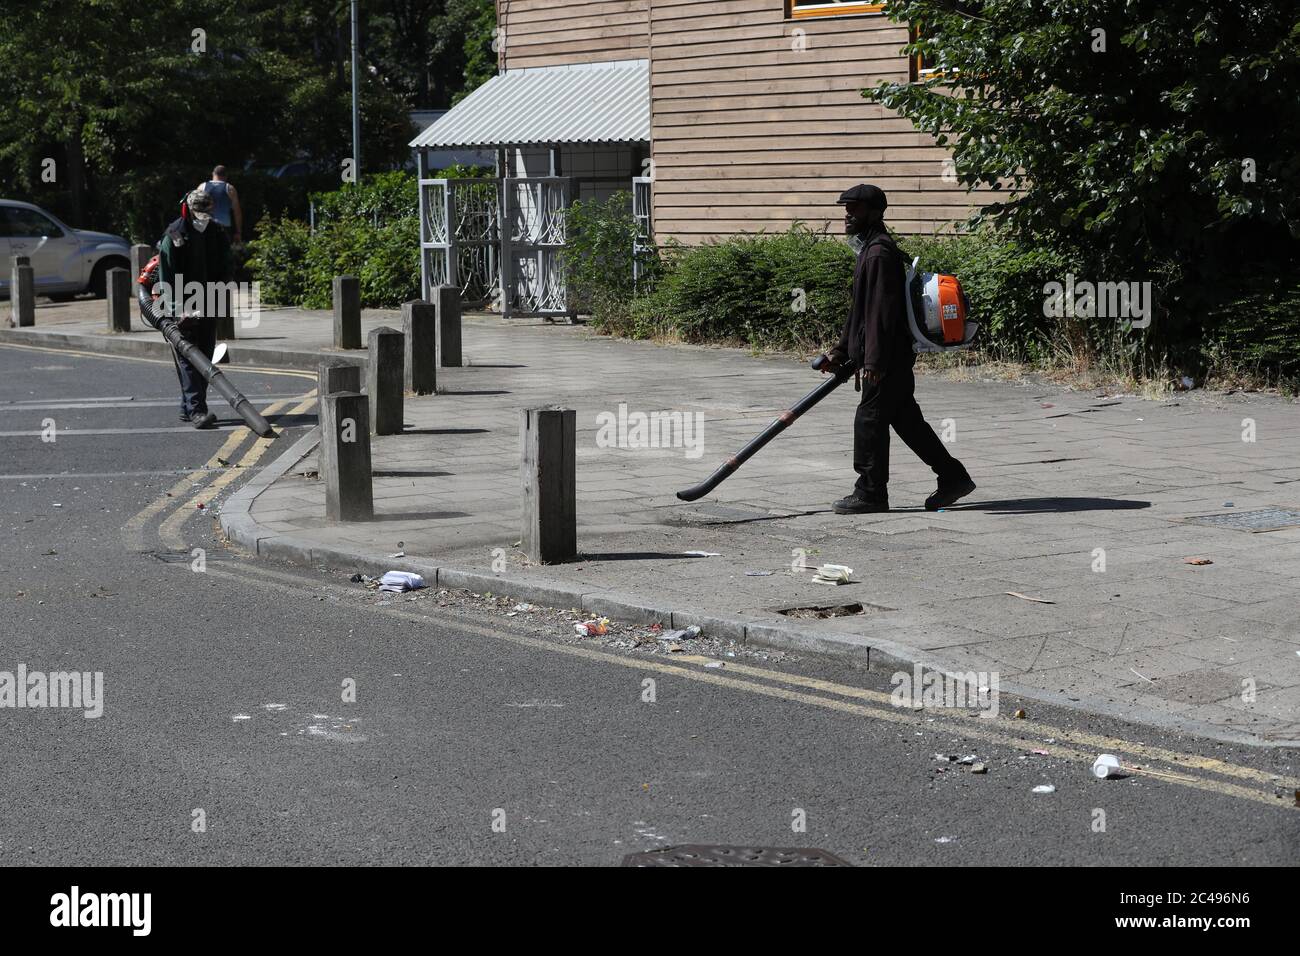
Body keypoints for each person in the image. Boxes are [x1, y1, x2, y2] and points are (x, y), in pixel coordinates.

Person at [824, 183, 975, 514]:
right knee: (906, 421)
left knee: (869, 421)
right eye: (845, 208)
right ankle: (953, 477)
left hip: (887, 360)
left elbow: (881, 313)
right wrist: (840, 350)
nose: (847, 215)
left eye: (855, 209)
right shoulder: (870, 250)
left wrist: (873, 362)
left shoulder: (879, 253)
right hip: (887, 357)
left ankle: (870, 493)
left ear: (875, 213)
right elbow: (859, 310)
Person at [158, 188, 233, 429]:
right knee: (190, 359)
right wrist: (178, 310)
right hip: (182, 307)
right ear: (187, 210)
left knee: (206, 357)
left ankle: (187, 406)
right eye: (197, 213)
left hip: (209, 302)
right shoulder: (174, 236)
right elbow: (166, 279)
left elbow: (225, 269)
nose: (202, 219)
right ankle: (197, 411)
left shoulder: (217, 232)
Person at [198, 165, 243, 243]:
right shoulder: (230, 189)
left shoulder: (202, 187)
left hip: (206, 227)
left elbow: (194, 208)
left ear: (213, 174)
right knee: (223, 254)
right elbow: (237, 212)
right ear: (226, 176)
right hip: (224, 228)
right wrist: (238, 232)